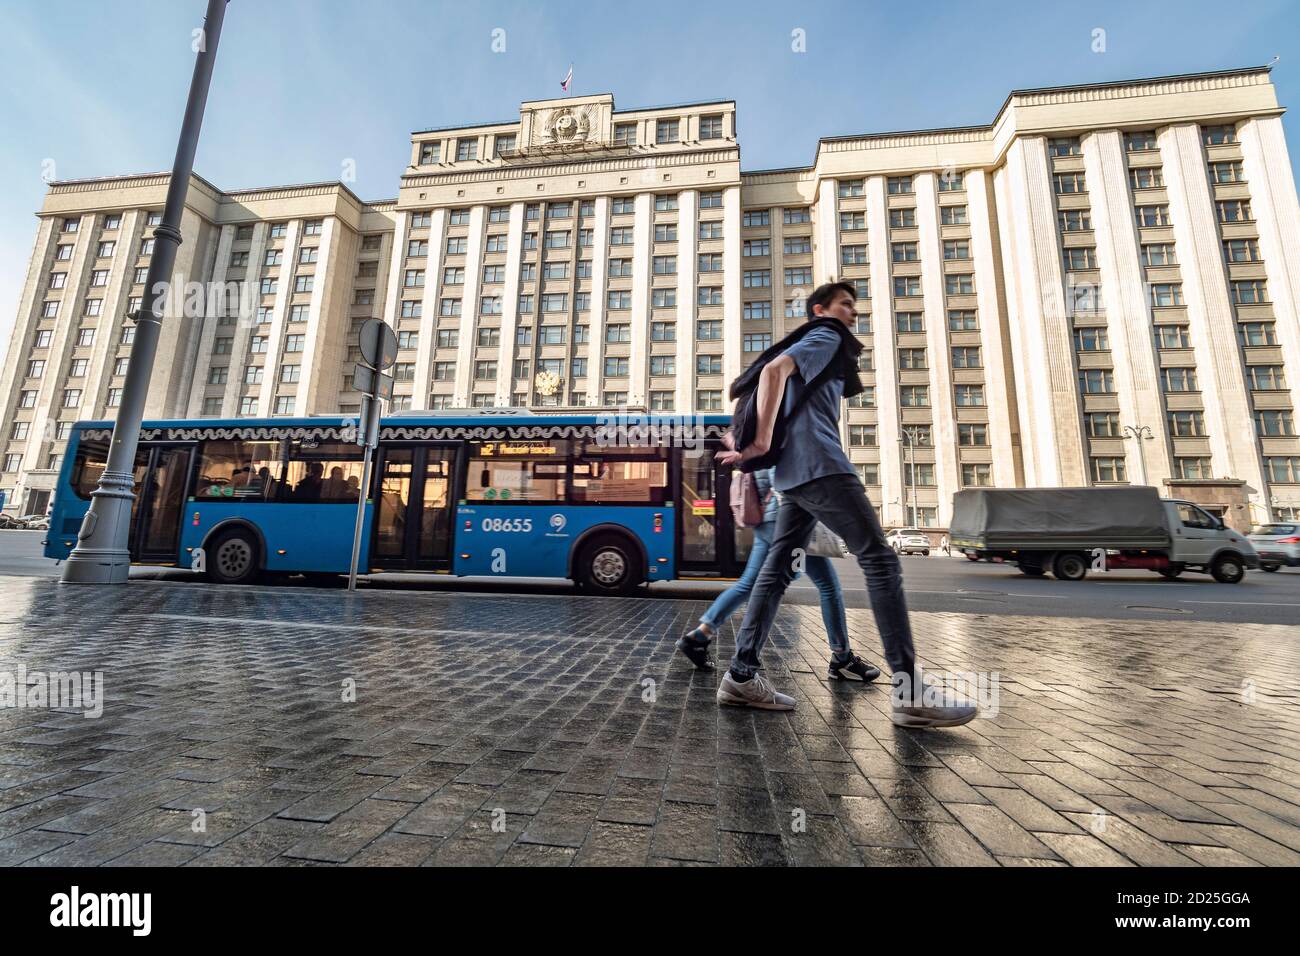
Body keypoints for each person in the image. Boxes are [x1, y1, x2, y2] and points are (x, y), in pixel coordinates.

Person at [714, 281, 977, 728]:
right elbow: (774, 371)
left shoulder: (819, 340)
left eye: (854, 306)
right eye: (846, 305)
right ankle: (910, 694)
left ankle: (741, 675)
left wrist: (758, 446)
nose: (853, 313)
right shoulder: (827, 334)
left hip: (792, 478)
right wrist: (758, 442)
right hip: (821, 468)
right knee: (879, 560)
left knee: (775, 574)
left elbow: (778, 381)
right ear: (822, 310)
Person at [677, 467, 880, 683]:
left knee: (750, 583)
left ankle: (700, 636)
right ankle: (842, 659)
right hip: (789, 519)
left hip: (767, 517)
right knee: (827, 586)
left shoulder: (764, 436)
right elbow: (786, 478)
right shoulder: (782, 433)